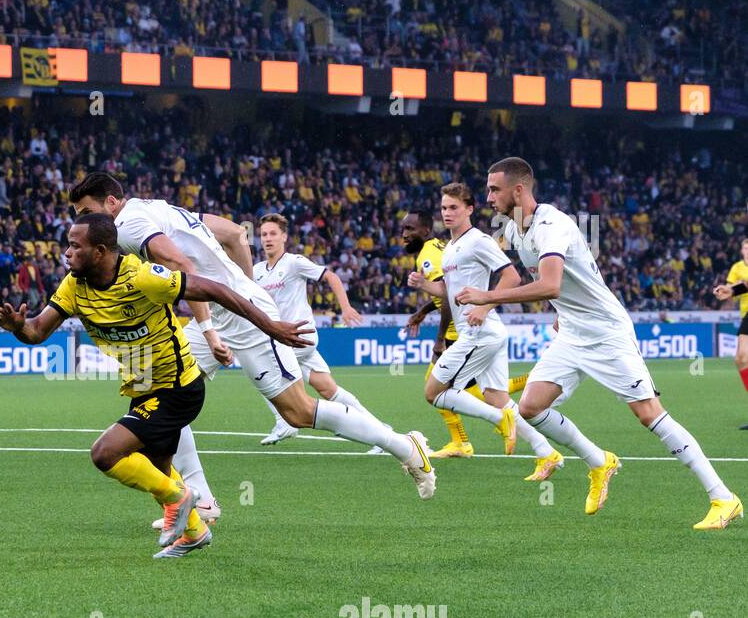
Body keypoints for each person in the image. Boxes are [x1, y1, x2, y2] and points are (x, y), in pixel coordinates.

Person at [70, 173, 438, 521]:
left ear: (112, 202)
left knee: (297, 410)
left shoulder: (129, 224)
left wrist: (217, 321)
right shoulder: (159, 208)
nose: (81, 225)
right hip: (227, 306)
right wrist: (244, 288)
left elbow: (180, 267)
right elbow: (234, 235)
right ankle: (201, 501)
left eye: (87, 212)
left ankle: (404, 447)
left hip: (232, 316)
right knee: (166, 393)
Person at [0, 212, 315, 558]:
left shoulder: (144, 277)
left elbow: (216, 289)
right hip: (142, 390)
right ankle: (194, 531)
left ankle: (182, 497)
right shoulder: (75, 285)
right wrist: (17, 327)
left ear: (100, 251)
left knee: (105, 453)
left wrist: (271, 326)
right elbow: (37, 331)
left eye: (75, 246)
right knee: (159, 469)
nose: (67, 253)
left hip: (178, 389)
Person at [460, 157, 739, 529]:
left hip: (606, 333)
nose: (488, 196)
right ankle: (599, 461)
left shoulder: (551, 225)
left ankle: (723, 498)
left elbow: (551, 283)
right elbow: (564, 282)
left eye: (494, 189)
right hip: (573, 332)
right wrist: (563, 309)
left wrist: (488, 297)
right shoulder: (514, 230)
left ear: (518, 190)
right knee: (529, 407)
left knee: (648, 414)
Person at [407, 182, 560, 480]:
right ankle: (546, 453)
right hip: (486, 334)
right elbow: (447, 290)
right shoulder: (450, 247)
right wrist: (424, 285)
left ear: (469, 209)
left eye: (454, 207)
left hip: (480, 332)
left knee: (434, 392)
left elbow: (511, 277)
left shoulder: (478, 240)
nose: (447, 213)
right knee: (498, 397)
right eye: (443, 208)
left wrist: (485, 306)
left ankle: (498, 421)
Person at [252, 212, 385, 446]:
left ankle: (283, 423)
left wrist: (345, 307)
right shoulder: (257, 271)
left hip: (299, 337)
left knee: (261, 369)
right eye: (263, 234)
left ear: (284, 236)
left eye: (273, 233)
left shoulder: (294, 262)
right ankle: (381, 432)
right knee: (328, 389)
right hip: (283, 339)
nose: (268, 238)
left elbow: (331, 277)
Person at [711, 237, 748, 428]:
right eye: (745, 247)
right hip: (747, 314)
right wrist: (729, 290)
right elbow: (739, 287)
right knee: (741, 358)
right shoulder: (737, 267)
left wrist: (733, 290)